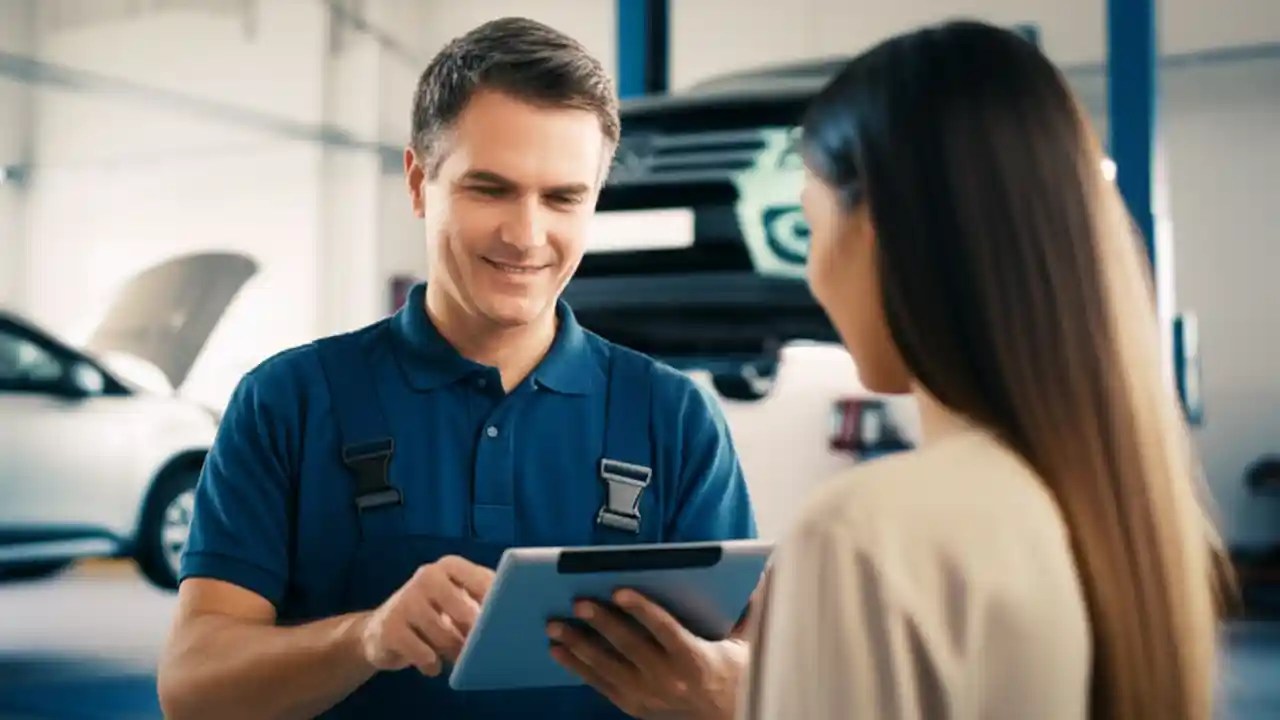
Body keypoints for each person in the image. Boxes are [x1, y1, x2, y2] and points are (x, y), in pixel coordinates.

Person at [157, 17, 756, 720]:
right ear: (419, 182)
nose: (527, 235)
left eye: (563, 197)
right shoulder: (289, 402)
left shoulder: (674, 419)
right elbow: (193, 689)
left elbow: (744, 664)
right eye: (490, 189)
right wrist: (367, 637)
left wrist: (730, 690)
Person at [738, 20, 1229, 720]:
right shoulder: (1119, 510)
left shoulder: (866, 534)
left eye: (809, 229)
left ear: (878, 229)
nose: (813, 277)